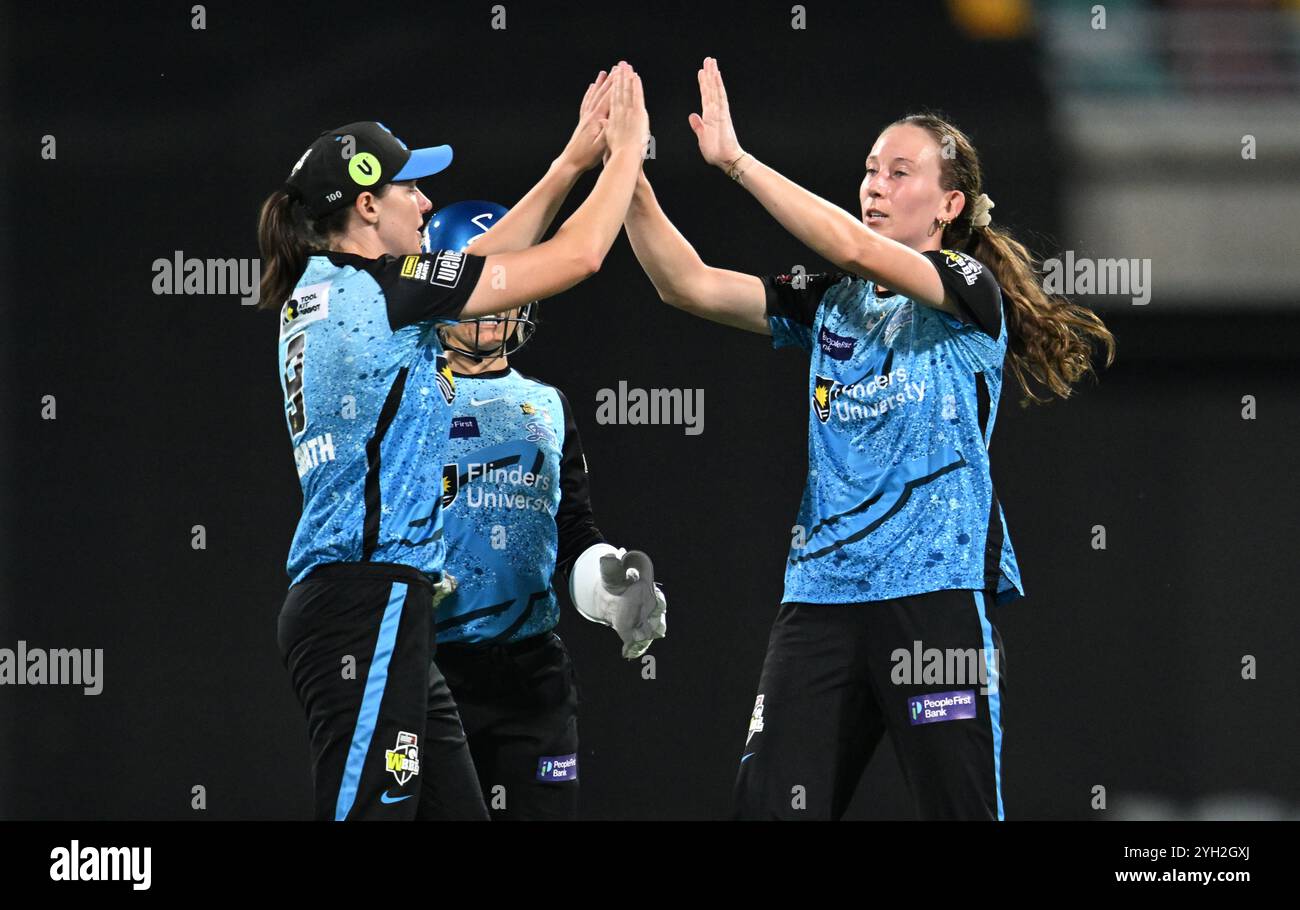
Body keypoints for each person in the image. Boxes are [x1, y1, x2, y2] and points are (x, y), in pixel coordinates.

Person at [622, 58, 1115, 820]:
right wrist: (625, 172)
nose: (875, 184)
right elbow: (685, 283)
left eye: (899, 171)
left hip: (935, 598)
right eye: (869, 170)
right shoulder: (832, 303)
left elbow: (854, 246)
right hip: (820, 601)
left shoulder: (968, 291)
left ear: (950, 205)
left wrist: (738, 163)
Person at [258, 63, 650, 820]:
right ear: (368, 205)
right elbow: (580, 257)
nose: (427, 200)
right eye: (411, 188)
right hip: (362, 603)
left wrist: (572, 161)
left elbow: (476, 265)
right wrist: (627, 155)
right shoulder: (385, 291)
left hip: (380, 608)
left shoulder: (335, 286)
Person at [421, 201, 666, 820]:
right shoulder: (407, 393)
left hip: (533, 679)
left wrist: (609, 586)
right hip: (427, 670)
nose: (493, 301)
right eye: (476, 278)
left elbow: (571, 532)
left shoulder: (548, 404)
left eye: (503, 276)